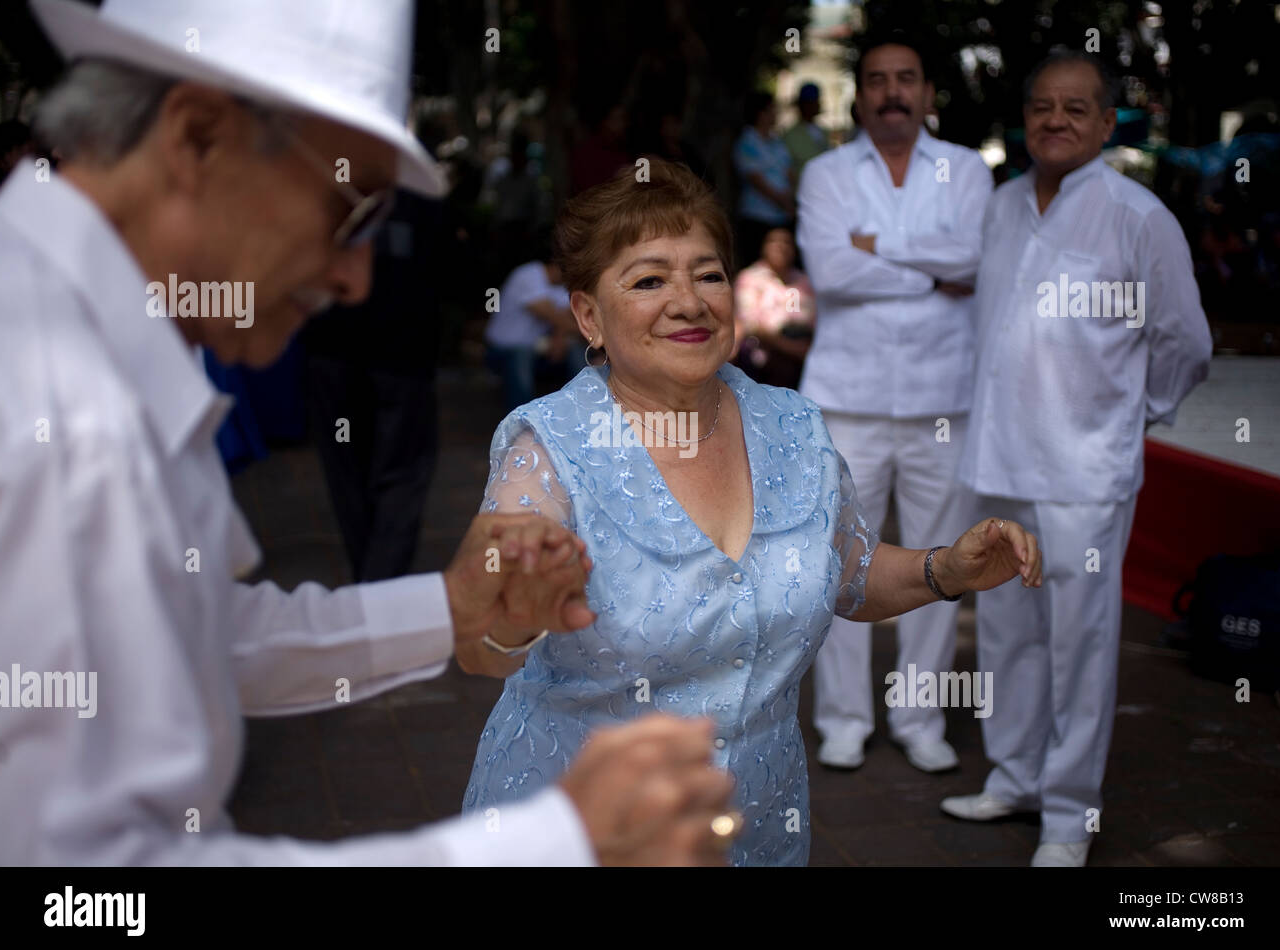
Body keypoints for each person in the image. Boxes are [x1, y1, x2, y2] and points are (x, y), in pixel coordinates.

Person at [0, 0, 735, 866]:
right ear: (197, 138)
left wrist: (447, 610)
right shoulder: (63, 412)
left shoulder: (81, 346)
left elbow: (190, 633)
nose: (354, 279)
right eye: (350, 214)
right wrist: (550, 842)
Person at [461, 160, 1043, 866]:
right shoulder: (549, 448)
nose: (688, 302)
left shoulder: (792, 426)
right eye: (649, 280)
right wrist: (517, 609)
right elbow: (485, 643)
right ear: (589, 315)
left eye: (706, 274)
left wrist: (943, 568)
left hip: (758, 825)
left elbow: (851, 574)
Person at [943, 49, 1213, 866]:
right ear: (1024, 119)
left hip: (1082, 474)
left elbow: (1186, 342)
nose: (1054, 121)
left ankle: (1068, 817)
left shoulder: (1137, 217)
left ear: (1104, 123)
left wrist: (1137, 413)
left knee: (1080, 646)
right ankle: (1015, 777)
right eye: (1041, 107)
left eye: (1075, 109)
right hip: (998, 463)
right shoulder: (999, 205)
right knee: (1007, 636)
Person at [796, 31, 994, 774]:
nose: (891, 92)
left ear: (927, 92)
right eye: (876, 80)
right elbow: (832, 269)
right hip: (847, 396)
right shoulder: (825, 172)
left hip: (945, 396)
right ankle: (844, 717)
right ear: (859, 94)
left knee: (940, 563)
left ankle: (920, 716)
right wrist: (925, 268)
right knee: (845, 561)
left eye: (905, 78)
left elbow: (974, 259)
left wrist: (877, 246)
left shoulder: (969, 170)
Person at [302, 187, 443, 582]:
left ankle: (372, 584)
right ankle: (377, 586)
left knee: (352, 474)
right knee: (396, 476)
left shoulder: (326, 182)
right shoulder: (419, 193)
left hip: (347, 354)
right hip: (393, 358)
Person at [484, 239, 586, 412]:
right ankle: (521, 420)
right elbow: (551, 314)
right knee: (520, 354)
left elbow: (566, 317)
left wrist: (559, 337)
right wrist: (594, 334)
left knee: (575, 349)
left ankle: (583, 406)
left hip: (536, 351)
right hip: (501, 351)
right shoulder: (528, 275)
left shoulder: (562, 286)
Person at [732, 226, 815, 389]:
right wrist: (788, 347)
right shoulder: (750, 278)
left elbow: (812, 319)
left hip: (799, 352)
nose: (780, 246)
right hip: (760, 352)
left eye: (786, 242)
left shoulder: (804, 281)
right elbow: (749, 323)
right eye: (774, 241)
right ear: (763, 247)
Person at [732, 91, 794, 268]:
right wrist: (784, 201)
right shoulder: (747, 141)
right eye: (772, 109)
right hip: (757, 217)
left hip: (781, 217)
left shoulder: (778, 142)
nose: (775, 113)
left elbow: (789, 173)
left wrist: (789, 202)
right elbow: (756, 180)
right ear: (760, 113)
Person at [781, 82, 828, 185]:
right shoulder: (790, 135)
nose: (817, 105)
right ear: (804, 105)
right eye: (813, 102)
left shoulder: (823, 131)